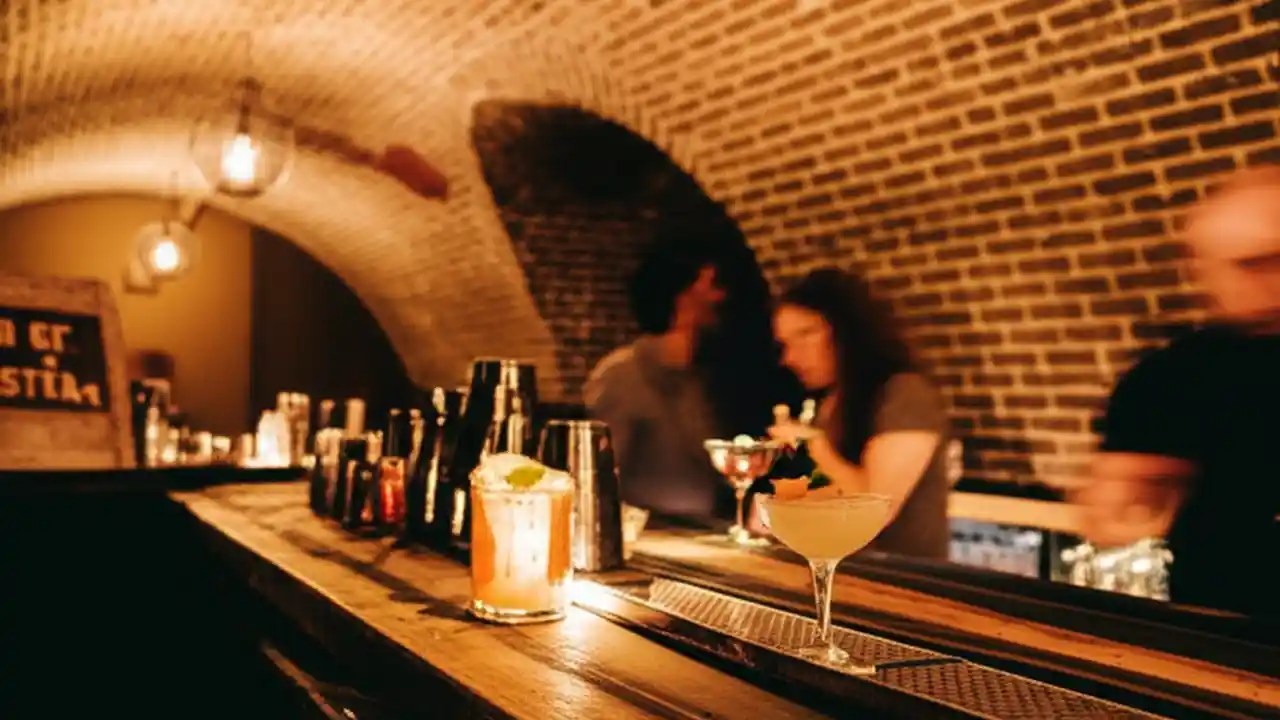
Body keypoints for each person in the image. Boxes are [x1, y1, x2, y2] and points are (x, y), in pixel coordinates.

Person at [1078, 165, 1280, 616]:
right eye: (1248, 263)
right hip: (1231, 629)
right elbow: (1110, 516)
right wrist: (1129, 499)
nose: (1264, 279)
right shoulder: (1170, 378)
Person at [767, 267, 951, 559]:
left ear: (847, 329)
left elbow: (873, 511)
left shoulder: (906, 394)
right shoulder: (829, 402)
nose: (790, 357)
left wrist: (811, 444)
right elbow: (825, 496)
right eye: (785, 344)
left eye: (806, 334)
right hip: (840, 576)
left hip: (902, 586)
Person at [584, 241, 729, 518]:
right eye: (710, 284)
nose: (720, 296)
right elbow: (598, 477)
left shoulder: (697, 377)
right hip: (649, 538)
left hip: (699, 533)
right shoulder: (620, 375)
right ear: (682, 295)